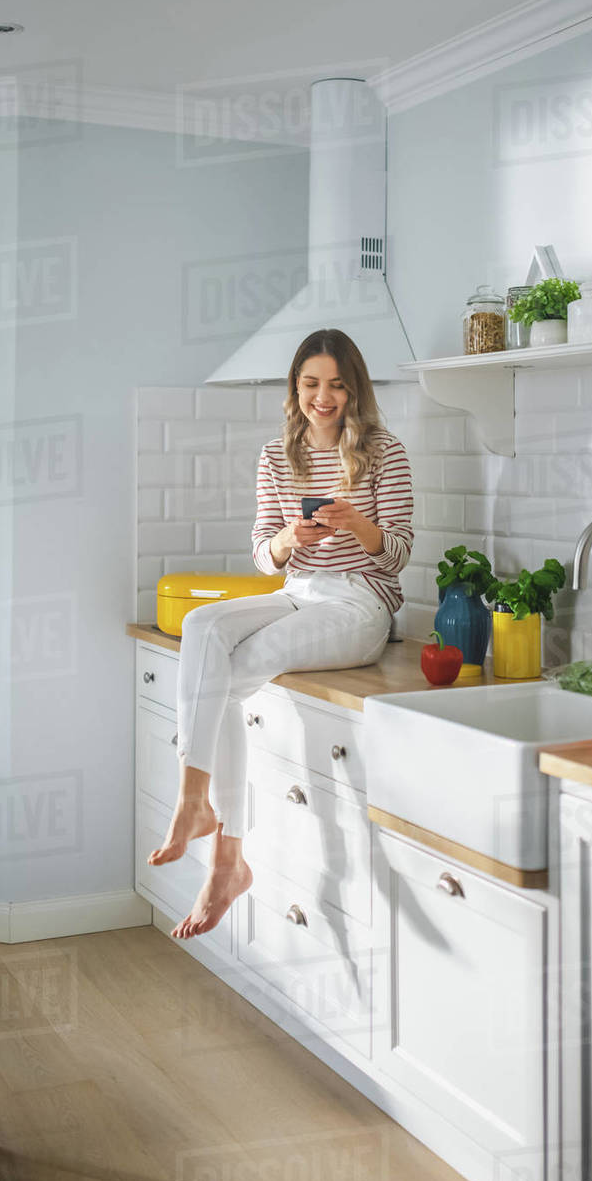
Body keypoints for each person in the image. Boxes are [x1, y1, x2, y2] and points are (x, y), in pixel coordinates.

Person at [147, 328, 414, 939]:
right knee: (200, 624)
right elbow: (263, 558)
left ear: (355, 390)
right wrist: (292, 538)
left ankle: (223, 851)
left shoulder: (386, 453)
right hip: (297, 591)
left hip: (361, 604)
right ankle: (199, 810)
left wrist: (359, 525)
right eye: (312, 383)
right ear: (296, 387)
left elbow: (396, 556)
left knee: (229, 680)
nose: (324, 397)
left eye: (337, 385)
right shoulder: (277, 456)